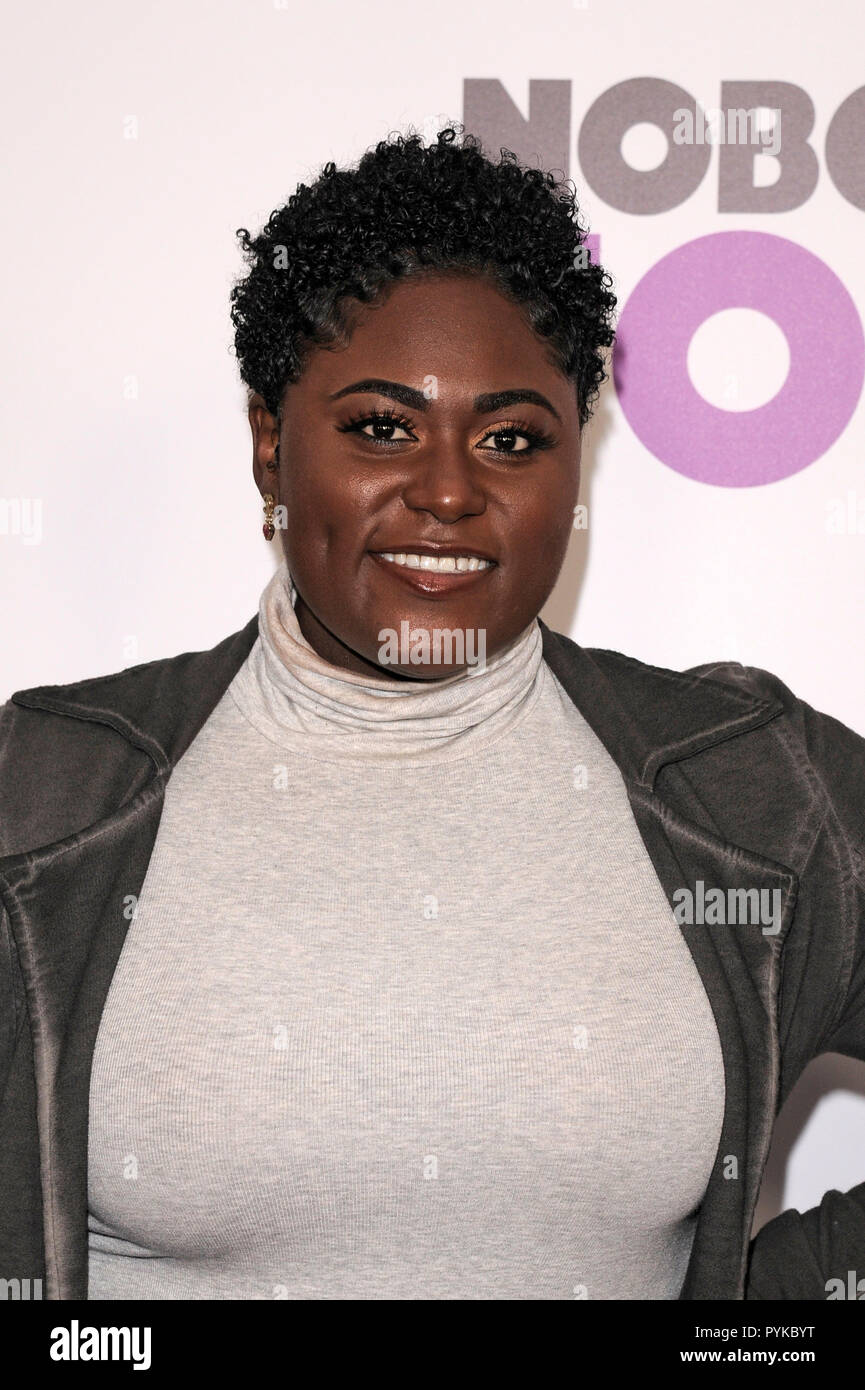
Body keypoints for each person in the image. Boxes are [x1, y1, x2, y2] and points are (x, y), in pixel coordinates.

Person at [1, 125, 863, 1303]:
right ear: (269, 445)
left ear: (573, 461)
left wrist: (779, 1313)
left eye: (511, 438)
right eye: (380, 428)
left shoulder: (750, 786)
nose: (451, 489)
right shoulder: (44, 795)